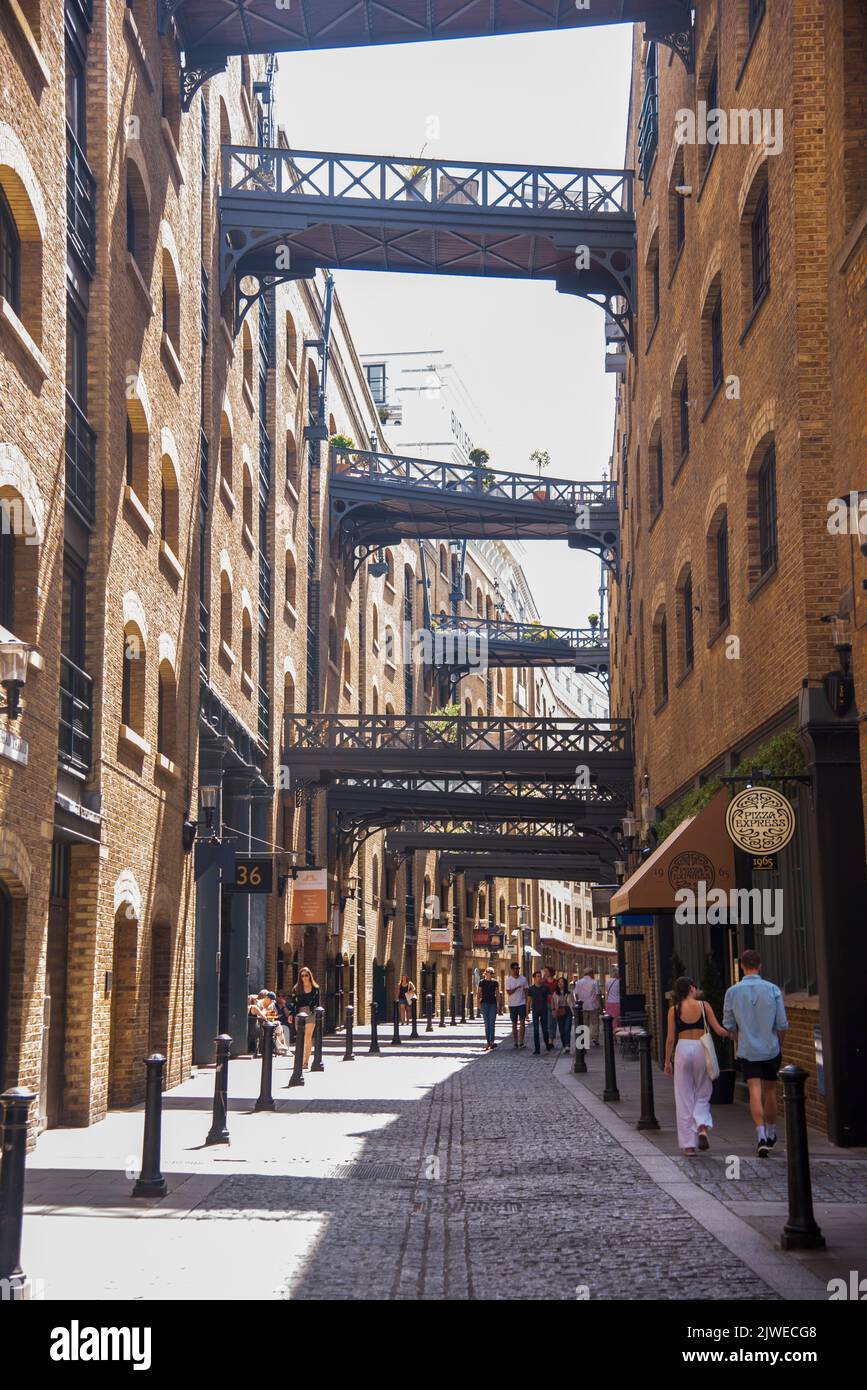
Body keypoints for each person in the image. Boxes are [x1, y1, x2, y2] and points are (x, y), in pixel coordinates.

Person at [723, 949, 789, 1158]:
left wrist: (739, 1039)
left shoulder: (732, 992)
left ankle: (760, 1135)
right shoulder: (773, 989)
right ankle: (771, 1133)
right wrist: (779, 1043)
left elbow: (728, 1025)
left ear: (742, 966)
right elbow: (782, 1024)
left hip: (748, 1050)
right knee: (770, 1091)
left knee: (754, 1090)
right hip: (771, 1048)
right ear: (759, 966)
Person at [664, 977, 731, 1156]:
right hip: (701, 1047)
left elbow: (670, 1039)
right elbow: (718, 1030)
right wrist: (733, 1034)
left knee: (683, 1096)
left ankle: (688, 1146)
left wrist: (667, 1061)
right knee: (703, 1091)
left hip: (682, 1048)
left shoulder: (673, 1010)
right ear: (691, 989)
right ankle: (701, 1127)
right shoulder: (704, 1006)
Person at [290, 967, 321, 1069]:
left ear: (310, 976)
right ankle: (300, 1059)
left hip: (310, 1013)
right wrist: (291, 1014)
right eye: (302, 976)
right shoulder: (296, 988)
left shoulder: (315, 988)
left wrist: (317, 1013)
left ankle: (305, 1061)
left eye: (306, 975)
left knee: (308, 1037)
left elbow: (317, 1003)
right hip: (299, 1013)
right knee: (301, 1038)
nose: (304, 978)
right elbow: (293, 1003)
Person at [573, 968, 602, 1045]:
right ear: (591, 973)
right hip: (593, 1005)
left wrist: (578, 1002)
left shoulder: (579, 982)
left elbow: (576, 993)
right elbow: (597, 994)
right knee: (595, 1022)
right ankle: (595, 1037)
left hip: (583, 1005)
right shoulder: (594, 982)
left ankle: (584, 1038)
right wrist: (599, 1005)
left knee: (584, 1023)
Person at [527, 971, 554, 1054]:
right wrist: (527, 1013)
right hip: (535, 1011)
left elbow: (550, 998)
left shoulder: (545, 988)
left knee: (545, 1030)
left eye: (540, 976)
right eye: (538, 976)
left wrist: (553, 1008)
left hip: (544, 1010)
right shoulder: (531, 988)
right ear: (534, 978)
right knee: (536, 1030)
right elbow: (528, 1001)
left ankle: (547, 1044)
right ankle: (537, 1049)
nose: (539, 978)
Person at [505, 961, 529, 1049]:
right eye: (515, 968)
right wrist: (517, 988)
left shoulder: (523, 979)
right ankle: (515, 1042)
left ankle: (521, 1042)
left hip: (522, 1003)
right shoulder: (509, 980)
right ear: (512, 969)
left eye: (518, 968)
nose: (517, 970)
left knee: (522, 1022)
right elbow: (508, 992)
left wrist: (527, 1004)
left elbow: (526, 991)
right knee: (514, 1023)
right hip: (512, 1005)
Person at [477, 967, 499, 1051]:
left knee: (492, 1023)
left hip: (493, 1004)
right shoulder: (481, 982)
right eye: (489, 972)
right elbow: (479, 993)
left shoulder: (495, 982)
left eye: (491, 973)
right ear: (486, 973)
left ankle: (492, 1042)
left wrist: (498, 1005)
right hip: (484, 1004)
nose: (490, 974)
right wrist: (478, 1004)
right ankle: (488, 1042)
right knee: (487, 1024)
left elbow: (497, 994)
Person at [551, 975, 573, 1051]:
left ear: (565, 983)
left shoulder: (569, 993)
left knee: (567, 1028)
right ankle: (564, 1045)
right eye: (559, 982)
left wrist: (574, 1012)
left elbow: (572, 1003)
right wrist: (553, 1010)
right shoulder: (555, 993)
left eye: (562, 982)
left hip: (567, 1011)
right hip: (559, 1011)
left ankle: (567, 1045)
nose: (560, 983)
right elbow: (552, 1002)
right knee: (561, 1030)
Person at [605, 967, 621, 1032]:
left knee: (610, 1018)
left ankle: (611, 1032)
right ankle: (617, 1032)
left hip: (609, 1002)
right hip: (617, 1002)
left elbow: (607, 991)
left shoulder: (607, 981)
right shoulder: (619, 982)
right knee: (617, 1019)